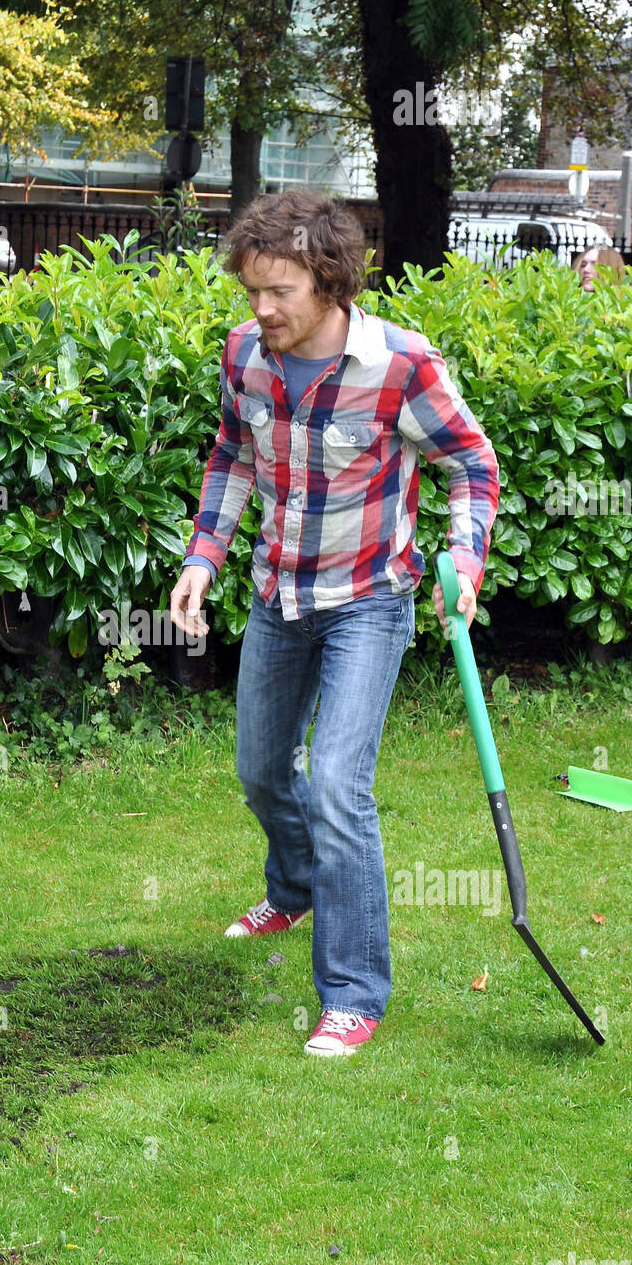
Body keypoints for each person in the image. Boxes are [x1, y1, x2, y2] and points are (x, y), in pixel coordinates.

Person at [169, 189, 500, 1058]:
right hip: (278, 593)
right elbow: (233, 455)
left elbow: (471, 465)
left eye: (278, 291)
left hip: (368, 599)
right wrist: (204, 556)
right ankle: (295, 885)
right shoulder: (246, 355)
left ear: (329, 280)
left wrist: (462, 560)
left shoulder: (401, 365)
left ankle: (353, 991)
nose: (261, 309)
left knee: (337, 788)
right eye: (251, 291)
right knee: (260, 770)